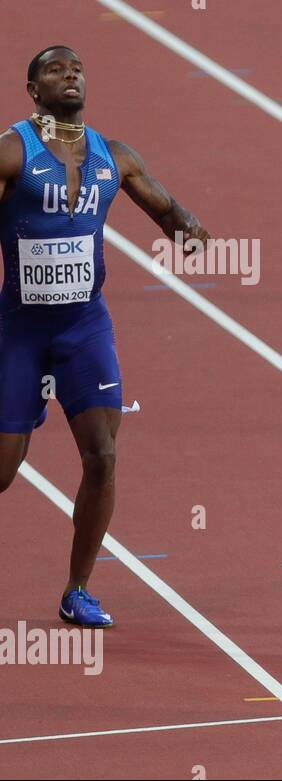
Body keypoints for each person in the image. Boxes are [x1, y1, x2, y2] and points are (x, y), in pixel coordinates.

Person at [0, 46, 210, 627]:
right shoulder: (13, 151)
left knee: (103, 456)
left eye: (76, 68)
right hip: (20, 329)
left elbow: (170, 214)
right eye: (54, 70)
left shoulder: (113, 157)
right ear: (32, 89)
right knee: (2, 473)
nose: (69, 75)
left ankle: (77, 589)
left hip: (84, 329)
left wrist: (191, 232)